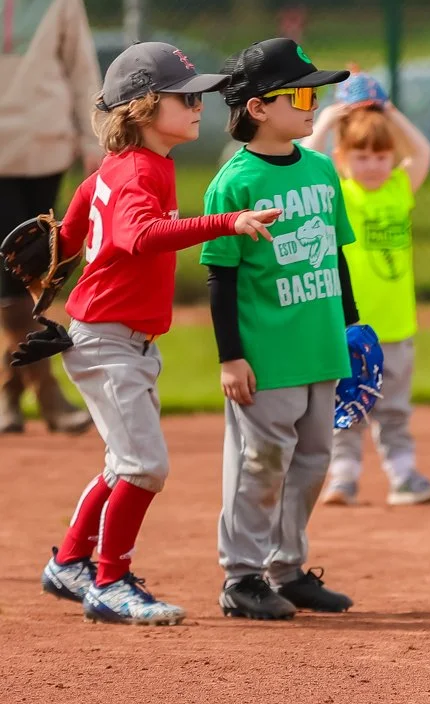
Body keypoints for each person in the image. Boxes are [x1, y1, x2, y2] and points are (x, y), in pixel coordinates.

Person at [38, 41, 281, 625]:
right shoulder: (141, 169)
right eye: (185, 97)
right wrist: (227, 221)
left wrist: (51, 268)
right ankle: (110, 582)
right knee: (144, 467)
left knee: (125, 462)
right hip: (107, 339)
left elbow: (64, 238)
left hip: (115, 336)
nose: (199, 105)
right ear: (143, 108)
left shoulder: (119, 170)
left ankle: (71, 563)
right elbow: (140, 236)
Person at [200, 37, 357, 621]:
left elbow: (337, 257)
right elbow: (221, 277)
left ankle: (285, 568)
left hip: (320, 346)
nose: (313, 101)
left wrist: (354, 326)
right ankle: (241, 576)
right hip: (265, 355)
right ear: (259, 108)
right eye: (300, 93)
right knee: (261, 463)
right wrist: (230, 356)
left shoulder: (320, 168)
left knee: (314, 460)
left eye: (316, 91)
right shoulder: (234, 183)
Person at [300, 71, 430, 507]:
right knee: (346, 405)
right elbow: (309, 159)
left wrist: (390, 114)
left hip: (397, 324)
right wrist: (327, 122)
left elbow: (423, 150)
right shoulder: (339, 191)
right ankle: (343, 477)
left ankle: (403, 476)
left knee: (395, 409)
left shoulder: (399, 187)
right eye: (361, 156)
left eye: (382, 156)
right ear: (342, 158)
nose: (374, 165)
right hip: (351, 324)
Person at [0, 0, 102, 435]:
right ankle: (45, 392)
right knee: (10, 275)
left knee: (35, 270)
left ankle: (8, 394)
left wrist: (94, 138)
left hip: (46, 145)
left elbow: (81, 64)